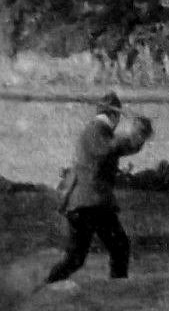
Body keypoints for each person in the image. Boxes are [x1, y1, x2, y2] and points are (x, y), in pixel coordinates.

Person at [45, 92, 154, 285]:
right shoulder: (98, 129)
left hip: (85, 204)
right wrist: (137, 133)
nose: (118, 123)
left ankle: (48, 285)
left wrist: (138, 135)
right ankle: (117, 289)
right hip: (91, 203)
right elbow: (109, 148)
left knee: (78, 258)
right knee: (117, 247)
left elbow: (118, 147)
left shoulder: (98, 130)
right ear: (114, 116)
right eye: (118, 119)